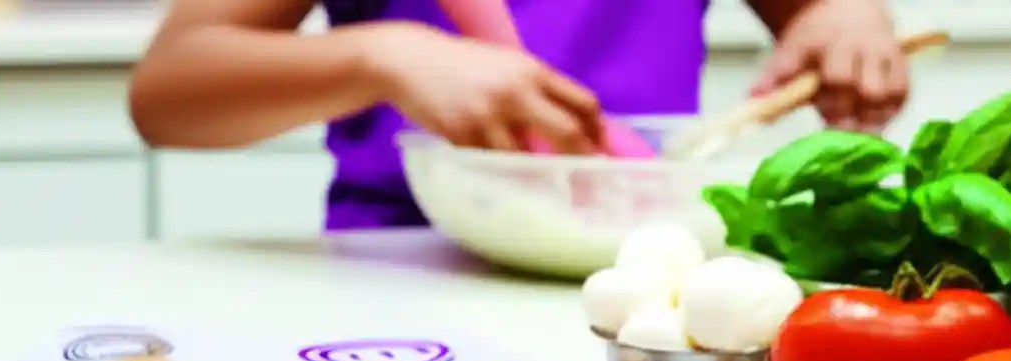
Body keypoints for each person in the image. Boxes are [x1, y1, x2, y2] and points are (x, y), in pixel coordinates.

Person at [129, 0, 909, 231]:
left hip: (649, 271)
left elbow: (819, 15)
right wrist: (385, 55)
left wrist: (844, 17)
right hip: (400, 277)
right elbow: (167, 93)